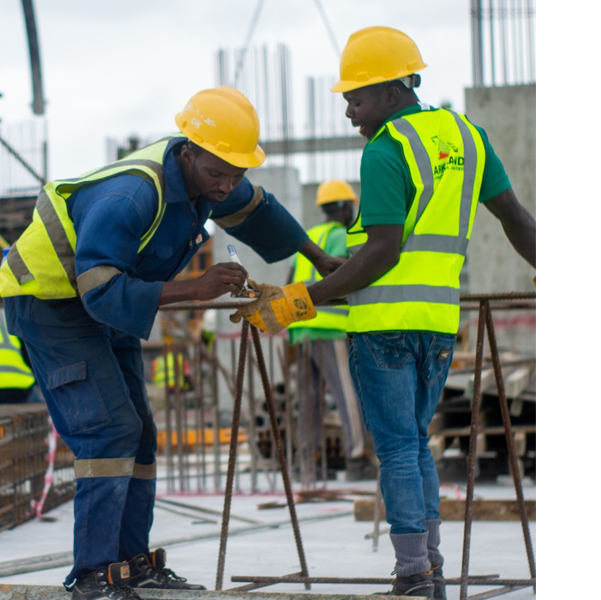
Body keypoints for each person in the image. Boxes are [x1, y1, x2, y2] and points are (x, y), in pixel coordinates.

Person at [0, 86, 337, 600]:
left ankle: (132, 564)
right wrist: (196, 291)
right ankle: (93, 576)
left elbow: (260, 213)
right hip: (50, 301)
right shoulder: (131, 196)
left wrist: (321, 258)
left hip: (108, 295)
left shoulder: (210, 175)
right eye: (218, 174)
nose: (226, 188)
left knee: (141, 433)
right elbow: (100, 289)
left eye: (237, 175)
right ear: (188, 151)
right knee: (109, 429)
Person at [232, 27, 535, 599]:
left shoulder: (386, 148)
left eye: (356, 97)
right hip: (440, 325)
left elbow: (383, 254)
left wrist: (298, 301)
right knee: (416, 443)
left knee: (397, 448)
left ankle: (414, 574)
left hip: (383, 327)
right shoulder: (466, 136)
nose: (349, 112)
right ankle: (431, 566)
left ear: (393, 91)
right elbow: (517, 220)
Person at [286, 180, 375, 483]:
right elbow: (352, 274)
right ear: (343, 206)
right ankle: (356, 458)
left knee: (308, 399)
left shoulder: (308, 238)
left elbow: (290, 279)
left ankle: (307, 461)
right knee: (346, 395)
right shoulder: (341, 236)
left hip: (301, 330)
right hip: (330, 327)